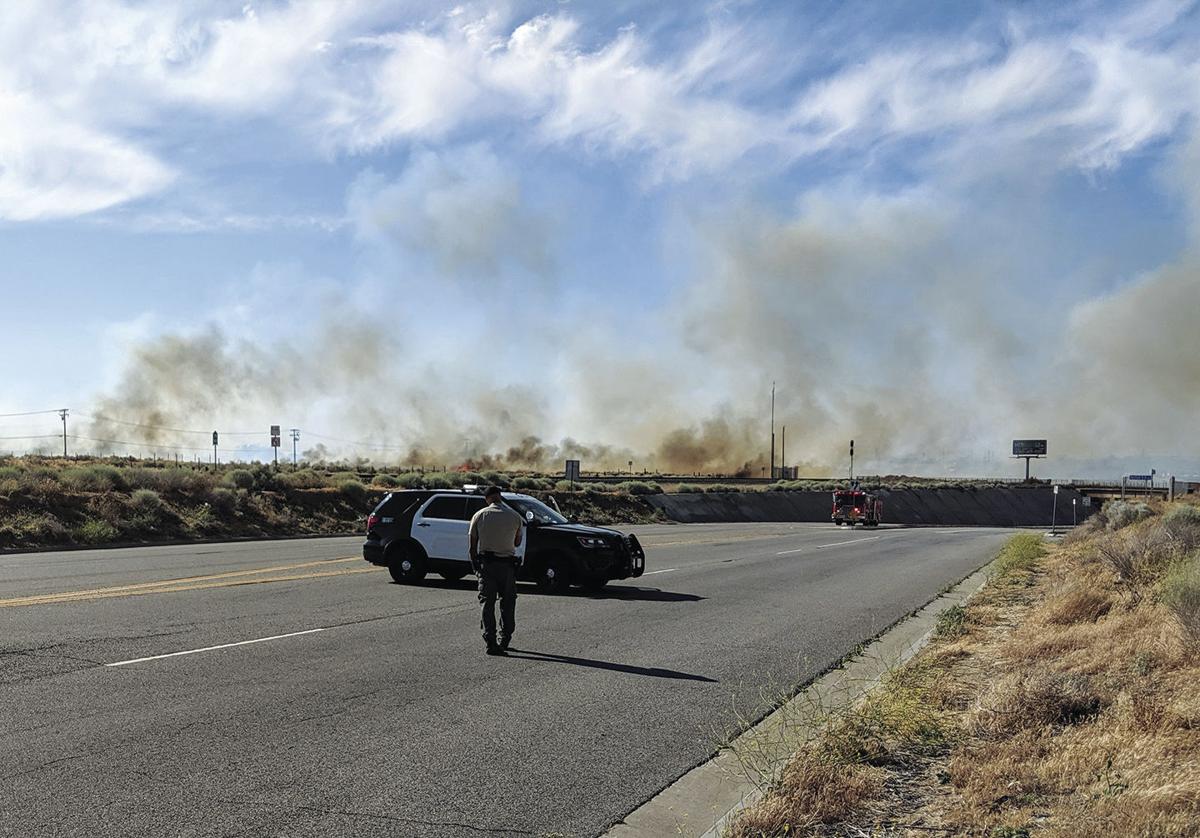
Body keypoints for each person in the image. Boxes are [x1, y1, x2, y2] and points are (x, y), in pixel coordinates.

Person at [468, 486, 524, 656]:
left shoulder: (479, 515)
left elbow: (472, 546)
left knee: (487, 603)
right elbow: (517, 543)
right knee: (508, 603)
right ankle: (505, 638)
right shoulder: (515, 516)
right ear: (500, 497)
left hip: (487, 565)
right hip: (507, 566)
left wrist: (475, 567)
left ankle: (491, 642)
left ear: (487, 499)